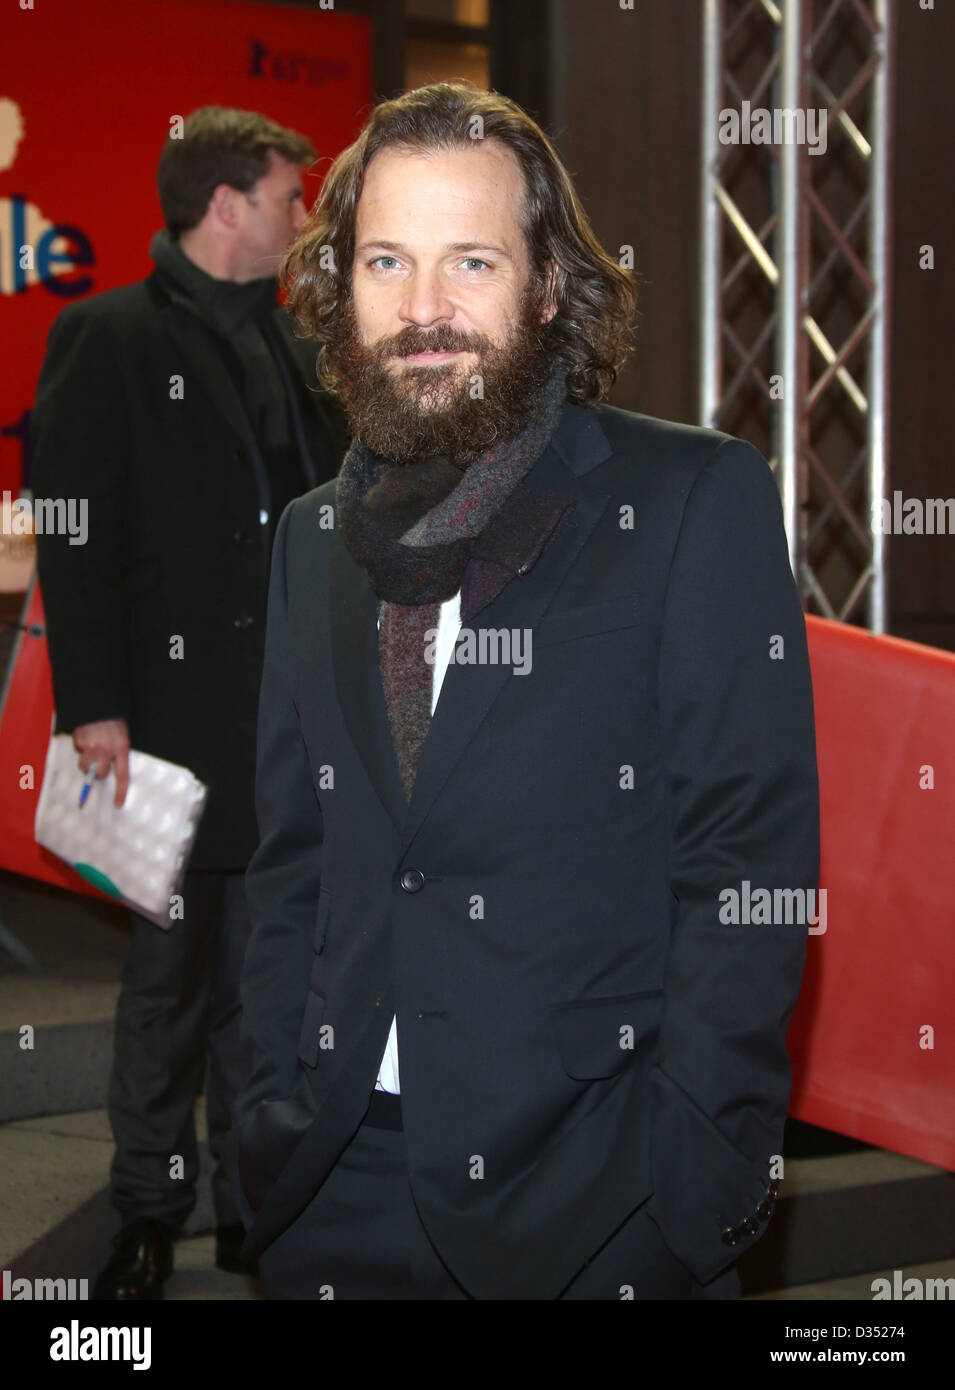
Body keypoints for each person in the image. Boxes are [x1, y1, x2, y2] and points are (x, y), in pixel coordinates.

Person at [227, 82, 820, 1300]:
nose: (424, 308)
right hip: (329, 1182)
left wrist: (692, 1179)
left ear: (549, 286)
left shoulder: (689, 501)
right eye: (386, 259)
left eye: (472, 261)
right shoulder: (310, 536)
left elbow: (748, 867)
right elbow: (291, 858)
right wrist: (263, 1111)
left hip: (596, 1202)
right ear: (343, 285)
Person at [30, 106, 346, 1300]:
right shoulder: (104, 334)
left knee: (271, 990)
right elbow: (77, 532)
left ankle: (251, 1213)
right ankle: (147, 1216)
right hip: (162, 725)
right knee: (169, 987)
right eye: (286, 195)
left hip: (290, 728)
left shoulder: (297, 345)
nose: (301, 216)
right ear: (228, 205)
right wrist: (93, 703)